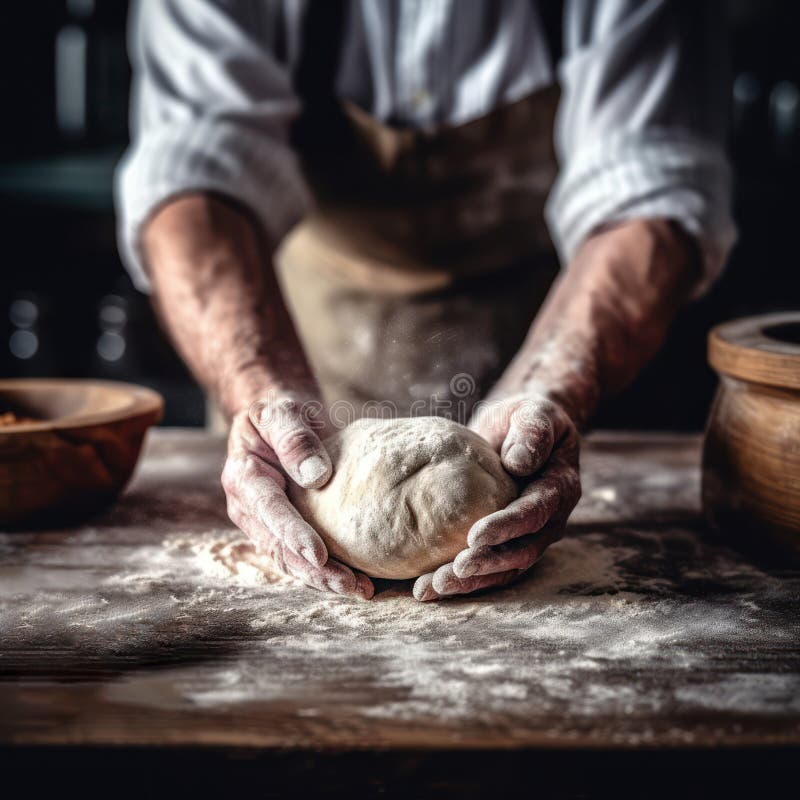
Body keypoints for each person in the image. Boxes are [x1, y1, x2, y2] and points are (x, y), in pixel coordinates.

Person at [116, 0, 735, 601]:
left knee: (517, 479)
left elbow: (652, 192)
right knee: (309, 470)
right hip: (306, 364)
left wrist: (552, 389)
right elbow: (190, 181)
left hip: (561, 344)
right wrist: (261, 391)